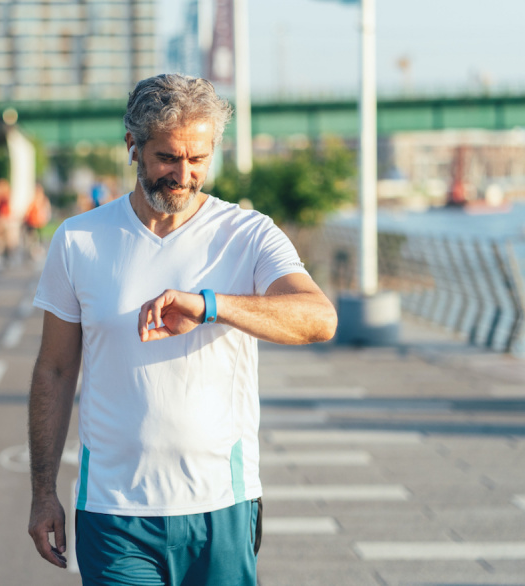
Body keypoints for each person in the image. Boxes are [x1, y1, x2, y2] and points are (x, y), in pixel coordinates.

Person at [27, 74, 338, 585]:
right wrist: (42, 493)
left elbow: (318, 317)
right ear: (133, 145)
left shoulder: (248, 234)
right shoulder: (78, 239)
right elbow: (56, 370)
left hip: (221, 505)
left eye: (198, 159)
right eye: (168, 158)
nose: (184, 174)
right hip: (113, 511)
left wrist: (210, 305)